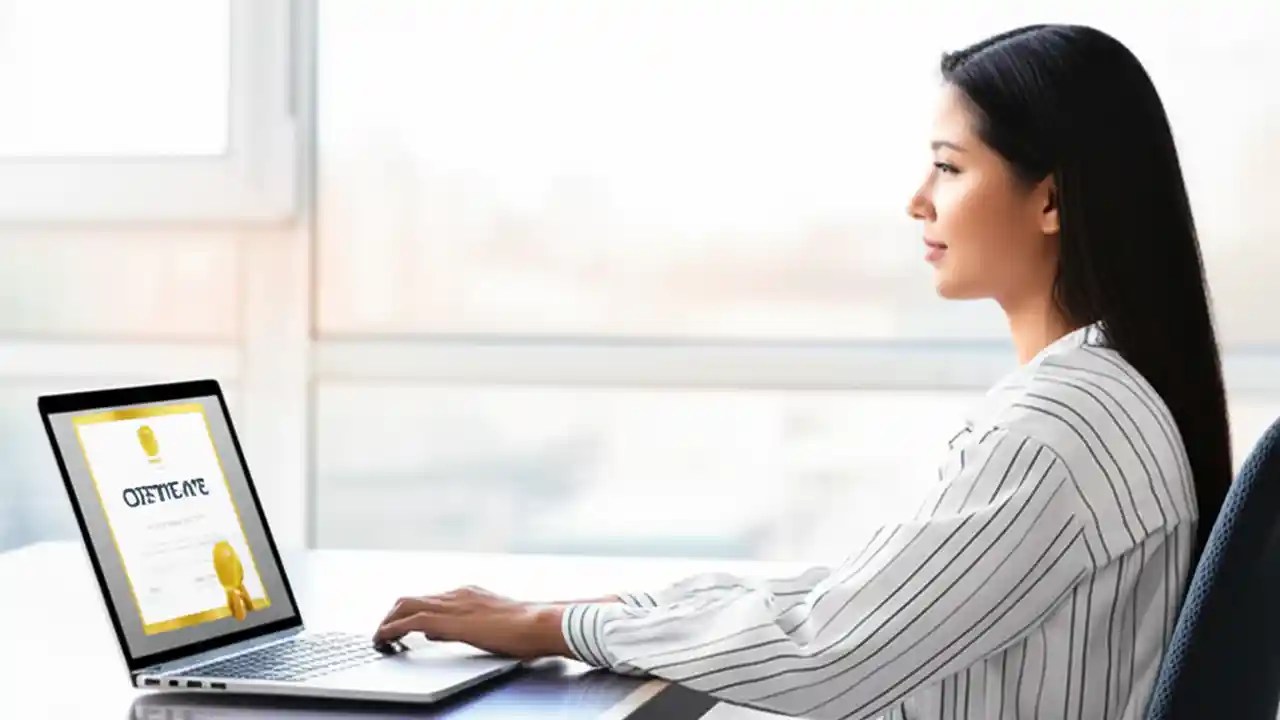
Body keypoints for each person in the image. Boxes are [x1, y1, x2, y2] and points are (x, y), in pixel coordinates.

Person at [372, 24, 1232, 719]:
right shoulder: (1110, 394)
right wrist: (614, 614)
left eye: (948, 165)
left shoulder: (1056, 432)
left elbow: (829, 655)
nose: (917, 200)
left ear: (1049, 199)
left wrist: (551, 624)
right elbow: (861, 598)